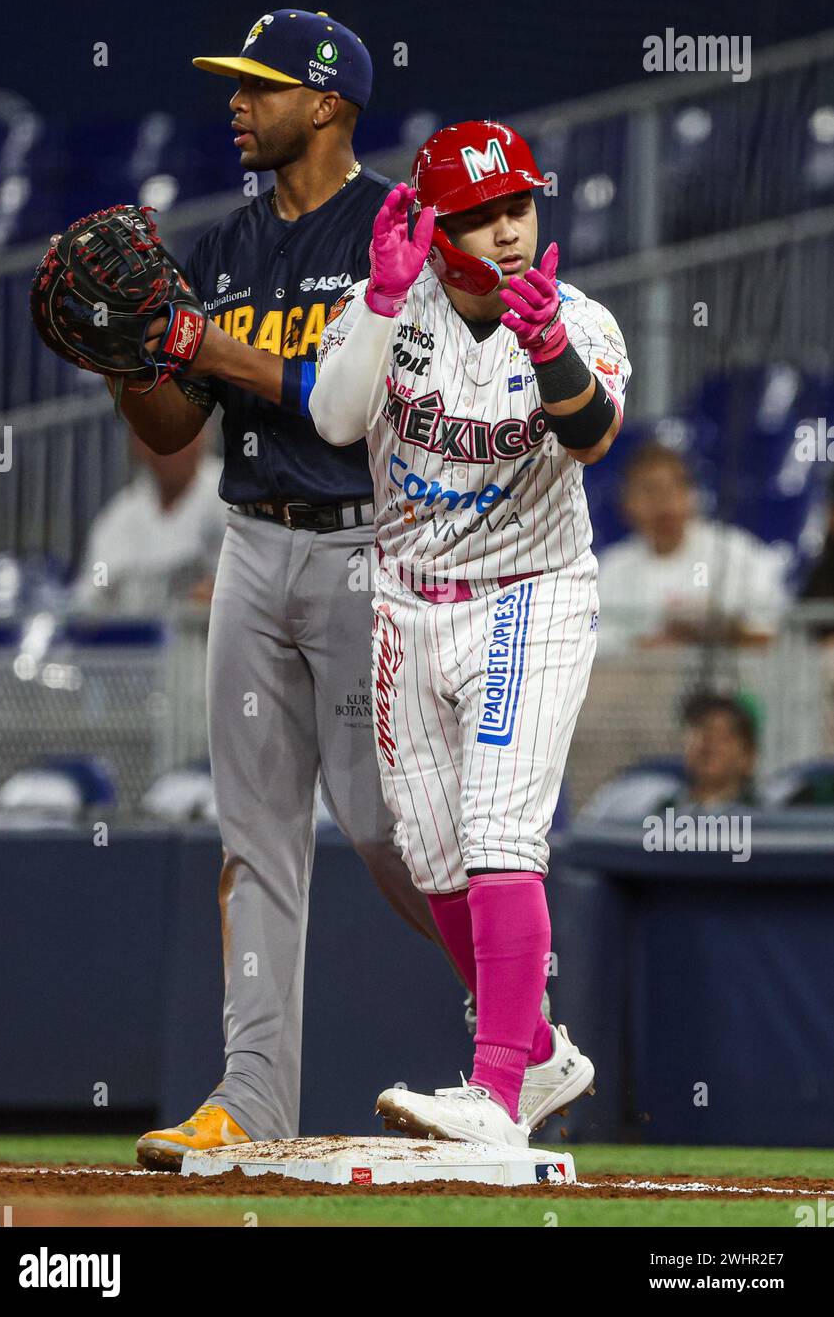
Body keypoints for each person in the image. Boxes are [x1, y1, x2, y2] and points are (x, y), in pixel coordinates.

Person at [122, 8, 452, 1170]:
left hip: (370, 544)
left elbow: (350, 404)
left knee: (380, 824)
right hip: (252, 544)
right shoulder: (222, 244)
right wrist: (130, 354)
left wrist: (203, 347)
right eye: (234, 83)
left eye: (258, 85)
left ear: (325, 103)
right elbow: (174, 428)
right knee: (254, 843)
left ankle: (519, 1023)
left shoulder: (395, 233)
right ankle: (250, 1100)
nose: (235, 101)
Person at [310, 120, 630, 1146]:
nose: (502, 231)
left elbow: (591, 436)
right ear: (430, 224)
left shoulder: (578, 317)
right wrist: (380, 299)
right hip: (407, 601)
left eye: (516, 207)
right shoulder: (386, 309)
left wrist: (547, 346)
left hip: (531, 595)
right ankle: (537, 1054)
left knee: (500, 833)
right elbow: (331, 420)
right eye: (476, 215)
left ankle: (494, 1094)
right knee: (434, 852)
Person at [596, 442, 787, 654]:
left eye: (672, 489)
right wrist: (648, 646)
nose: (663, 503)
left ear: (691, 495)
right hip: (639, 682)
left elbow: (770, 632)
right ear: (628, 503)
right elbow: (596, 648)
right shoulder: (612, 569)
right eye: (650, 491)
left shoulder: (732, 550)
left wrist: (718, 629)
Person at [74, 430, 225, 613]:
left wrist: (219, 591)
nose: (167, 448)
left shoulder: (231, 496)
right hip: (137, 636)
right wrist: (101, 589)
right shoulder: (119, 517)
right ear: (138, 445)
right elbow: (96, 583)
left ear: (201, 436)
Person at [666, 693, 759, 811]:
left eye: (722, 736)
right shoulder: (662, 812)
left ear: (748, 756)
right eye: (699, 733)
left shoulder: (767, 818)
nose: (708, 745)